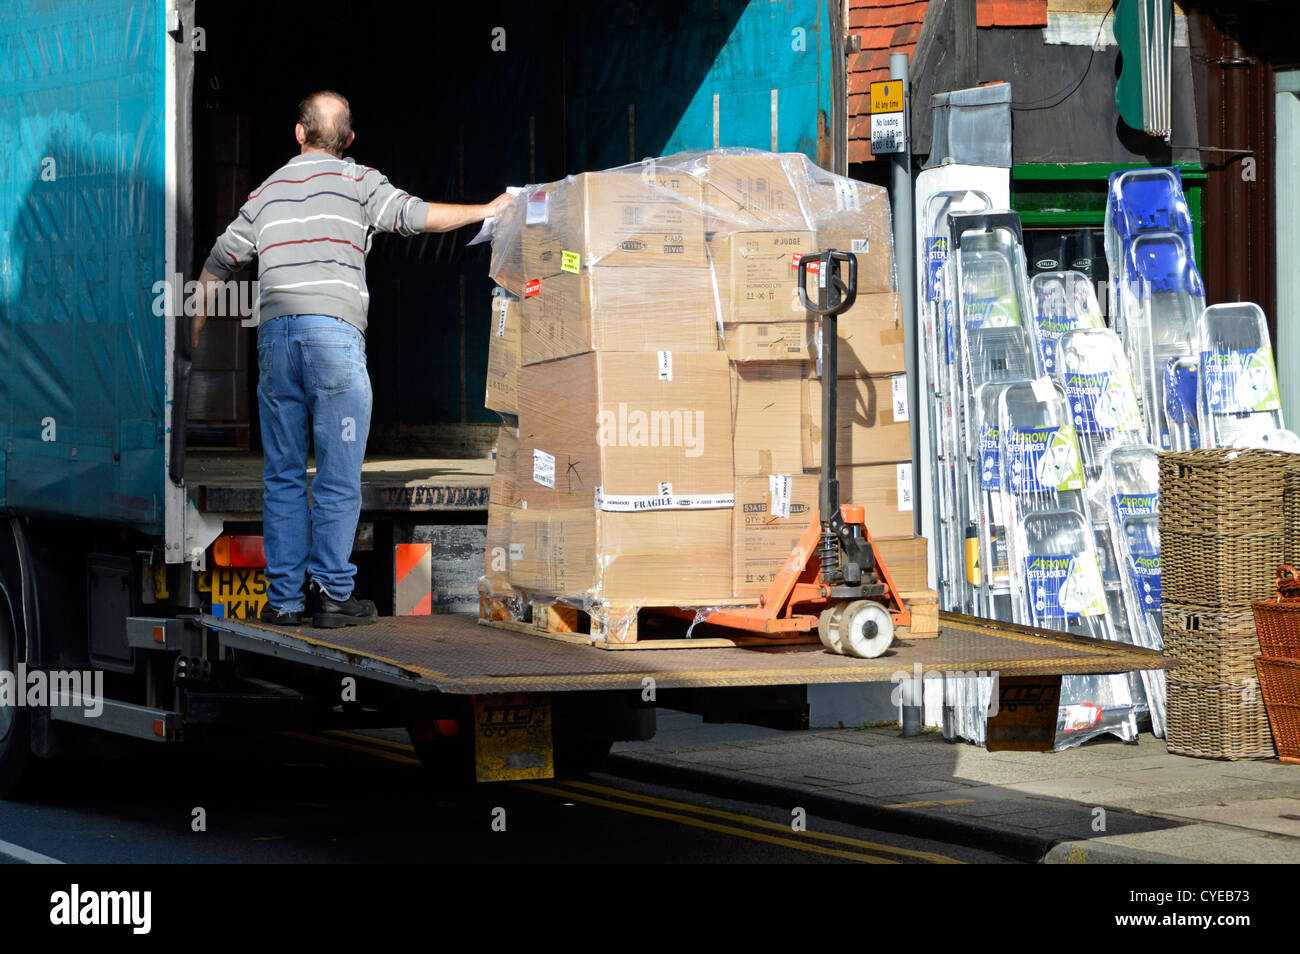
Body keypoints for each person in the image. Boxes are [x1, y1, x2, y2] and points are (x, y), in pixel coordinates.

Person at [193, 90, 511, 628]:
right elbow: (417, 216)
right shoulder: (360, 181)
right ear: (349, 141)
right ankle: (333, 595)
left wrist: (188, 346)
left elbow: (216, 267)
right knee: (337, 476)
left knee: (284, 476)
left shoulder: (265, 193)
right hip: (333, 344)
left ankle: (286, 602)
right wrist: (488, 209)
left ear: (298, 133)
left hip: (275, 344)